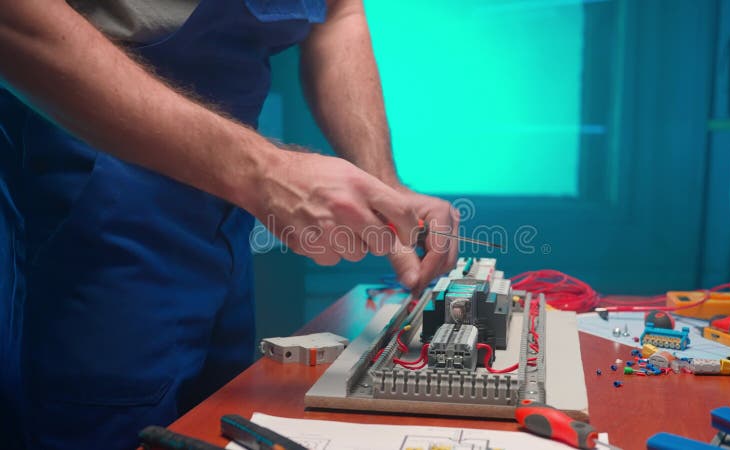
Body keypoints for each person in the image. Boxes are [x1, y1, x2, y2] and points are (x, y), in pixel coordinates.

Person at [0, 1, 458, 448]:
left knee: (213, 423)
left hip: (231, 206)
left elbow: (338, 12)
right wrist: (263, 172)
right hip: (94, 181)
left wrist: (384, 183)